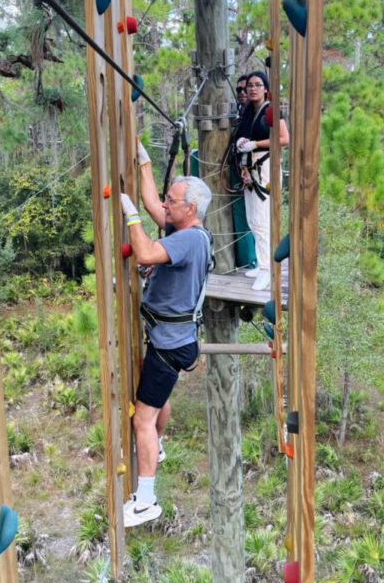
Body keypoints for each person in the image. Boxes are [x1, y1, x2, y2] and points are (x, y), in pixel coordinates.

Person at [119, 147, 213, 528]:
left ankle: (145, 500)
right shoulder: (189, 230)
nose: (165, 205)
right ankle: (154, 449)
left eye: (172, 201)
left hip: (170, 343)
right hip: (173, 338)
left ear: (190, 209)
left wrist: (131, 217)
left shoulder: (188, 240)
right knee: (159, 400)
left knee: (143, 419)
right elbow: (153, 204)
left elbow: (143, 251)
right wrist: (143, 162)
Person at [234, 70, 290, 291]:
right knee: (252, 219)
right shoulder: (249, 111)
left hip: (264, 167)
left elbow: (284, 139)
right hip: (250, 167)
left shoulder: (270, 110)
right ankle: (261, 263)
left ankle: (267, 269)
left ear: (266, 89)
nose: (253, 88)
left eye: (258, 85)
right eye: (250, 86)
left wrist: (255, 145)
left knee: (261, 219)